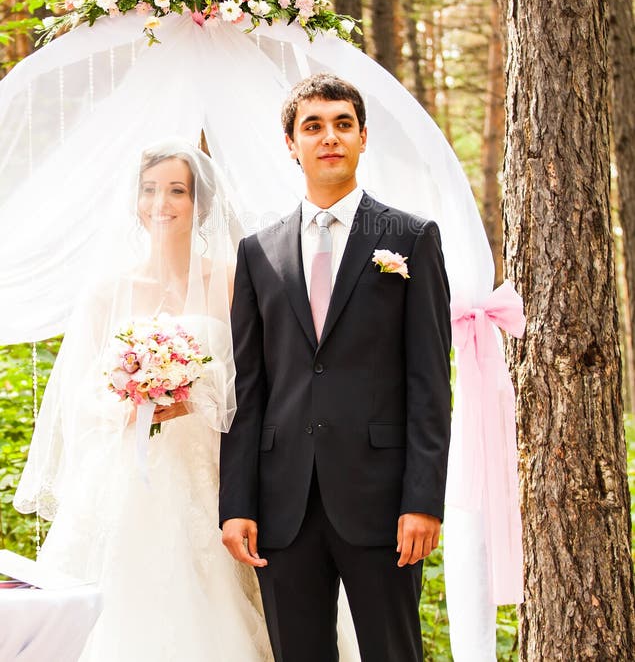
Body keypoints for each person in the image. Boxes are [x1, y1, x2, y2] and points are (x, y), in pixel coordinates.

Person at [219, 74, 452, 662]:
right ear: (291, 144)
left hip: (381, 499)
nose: (329, 137)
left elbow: (429, 383)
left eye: (343, 124)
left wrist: (423, 499)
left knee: (393, 652)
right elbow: (250, 389)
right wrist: (237, 503)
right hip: (282, 503)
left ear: (364, 138)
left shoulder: (410, 237)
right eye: (313, 126)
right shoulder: (257, 251)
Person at [14, 139, 273, 662]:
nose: (161, 203)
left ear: (200, 203)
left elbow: (255, 377)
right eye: (150, 191)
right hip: (127, 473)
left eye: (177, 190)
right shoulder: (109, 288)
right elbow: (81, 392)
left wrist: (196, 399)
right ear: (135, 201)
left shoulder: (230, 279)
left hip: (212, 466)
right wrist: (130, 405)